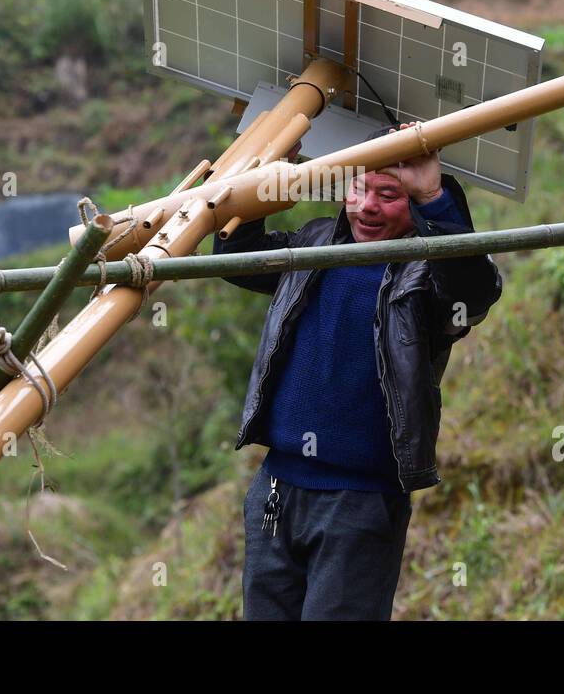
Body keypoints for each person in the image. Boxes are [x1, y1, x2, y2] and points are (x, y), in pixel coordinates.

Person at [213, 121, 503, 620]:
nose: (367, 206)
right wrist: (264, 173)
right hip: (277, 490)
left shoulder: (426, 274)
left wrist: (435, 194)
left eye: (389, 194)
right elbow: (234, 254)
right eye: (358, 187)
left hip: (359, 502)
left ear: (415, 203)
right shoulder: (314, 241)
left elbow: (472, 292)